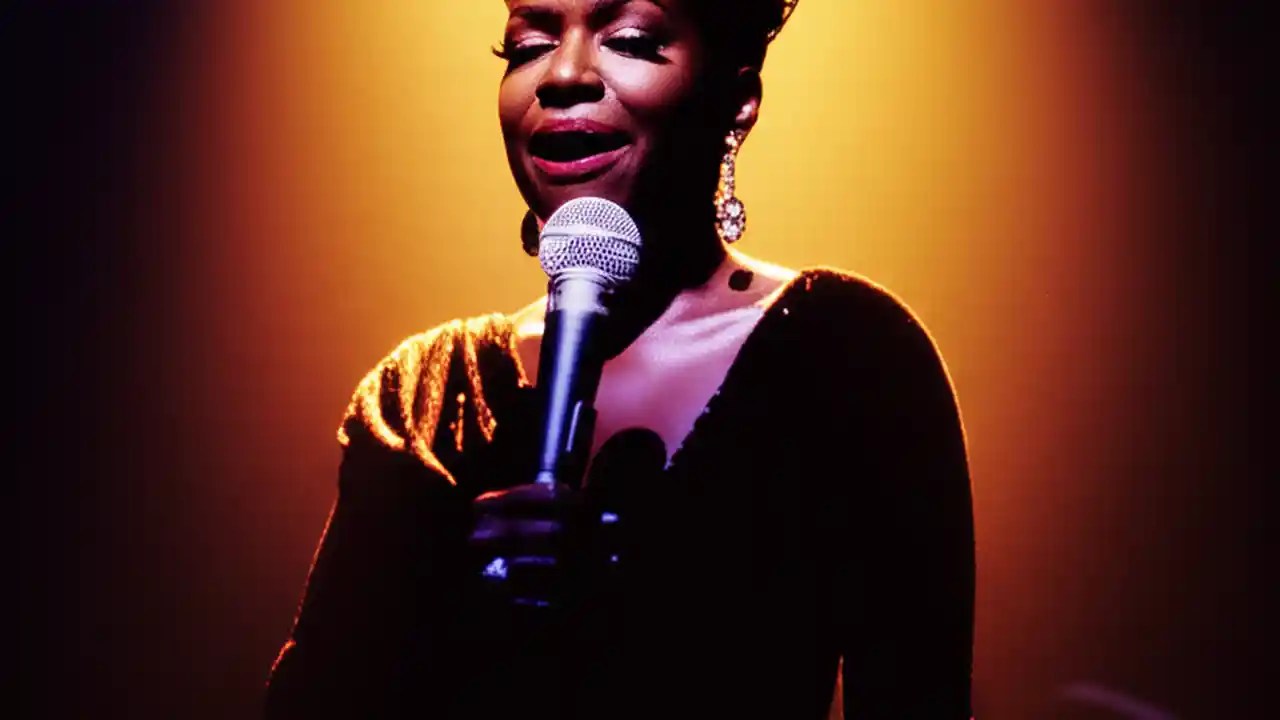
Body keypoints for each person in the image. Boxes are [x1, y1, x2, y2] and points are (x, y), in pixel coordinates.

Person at [264, 0, 975, 718]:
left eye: (630, 39)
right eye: (527, 47)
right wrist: (440, 607)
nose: (562, 74)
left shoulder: (845, 358)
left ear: (737, 99)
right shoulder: (422, 402)